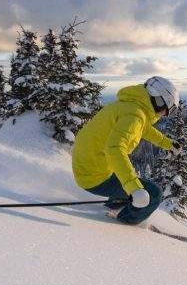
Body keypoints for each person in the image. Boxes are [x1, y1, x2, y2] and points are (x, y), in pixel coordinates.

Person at [71, 76, 179, 225]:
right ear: (160, 101)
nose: (165, 115)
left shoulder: (130, 107)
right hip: (94, 176)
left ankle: (115, 204)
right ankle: (125, 222)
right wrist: (135, 189)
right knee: (154, 193)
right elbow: (115, 149)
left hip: (89, 164)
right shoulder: (135, 116)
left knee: (126, 170)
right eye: (168, 110)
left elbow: (143, 129)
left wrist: (168, 144)